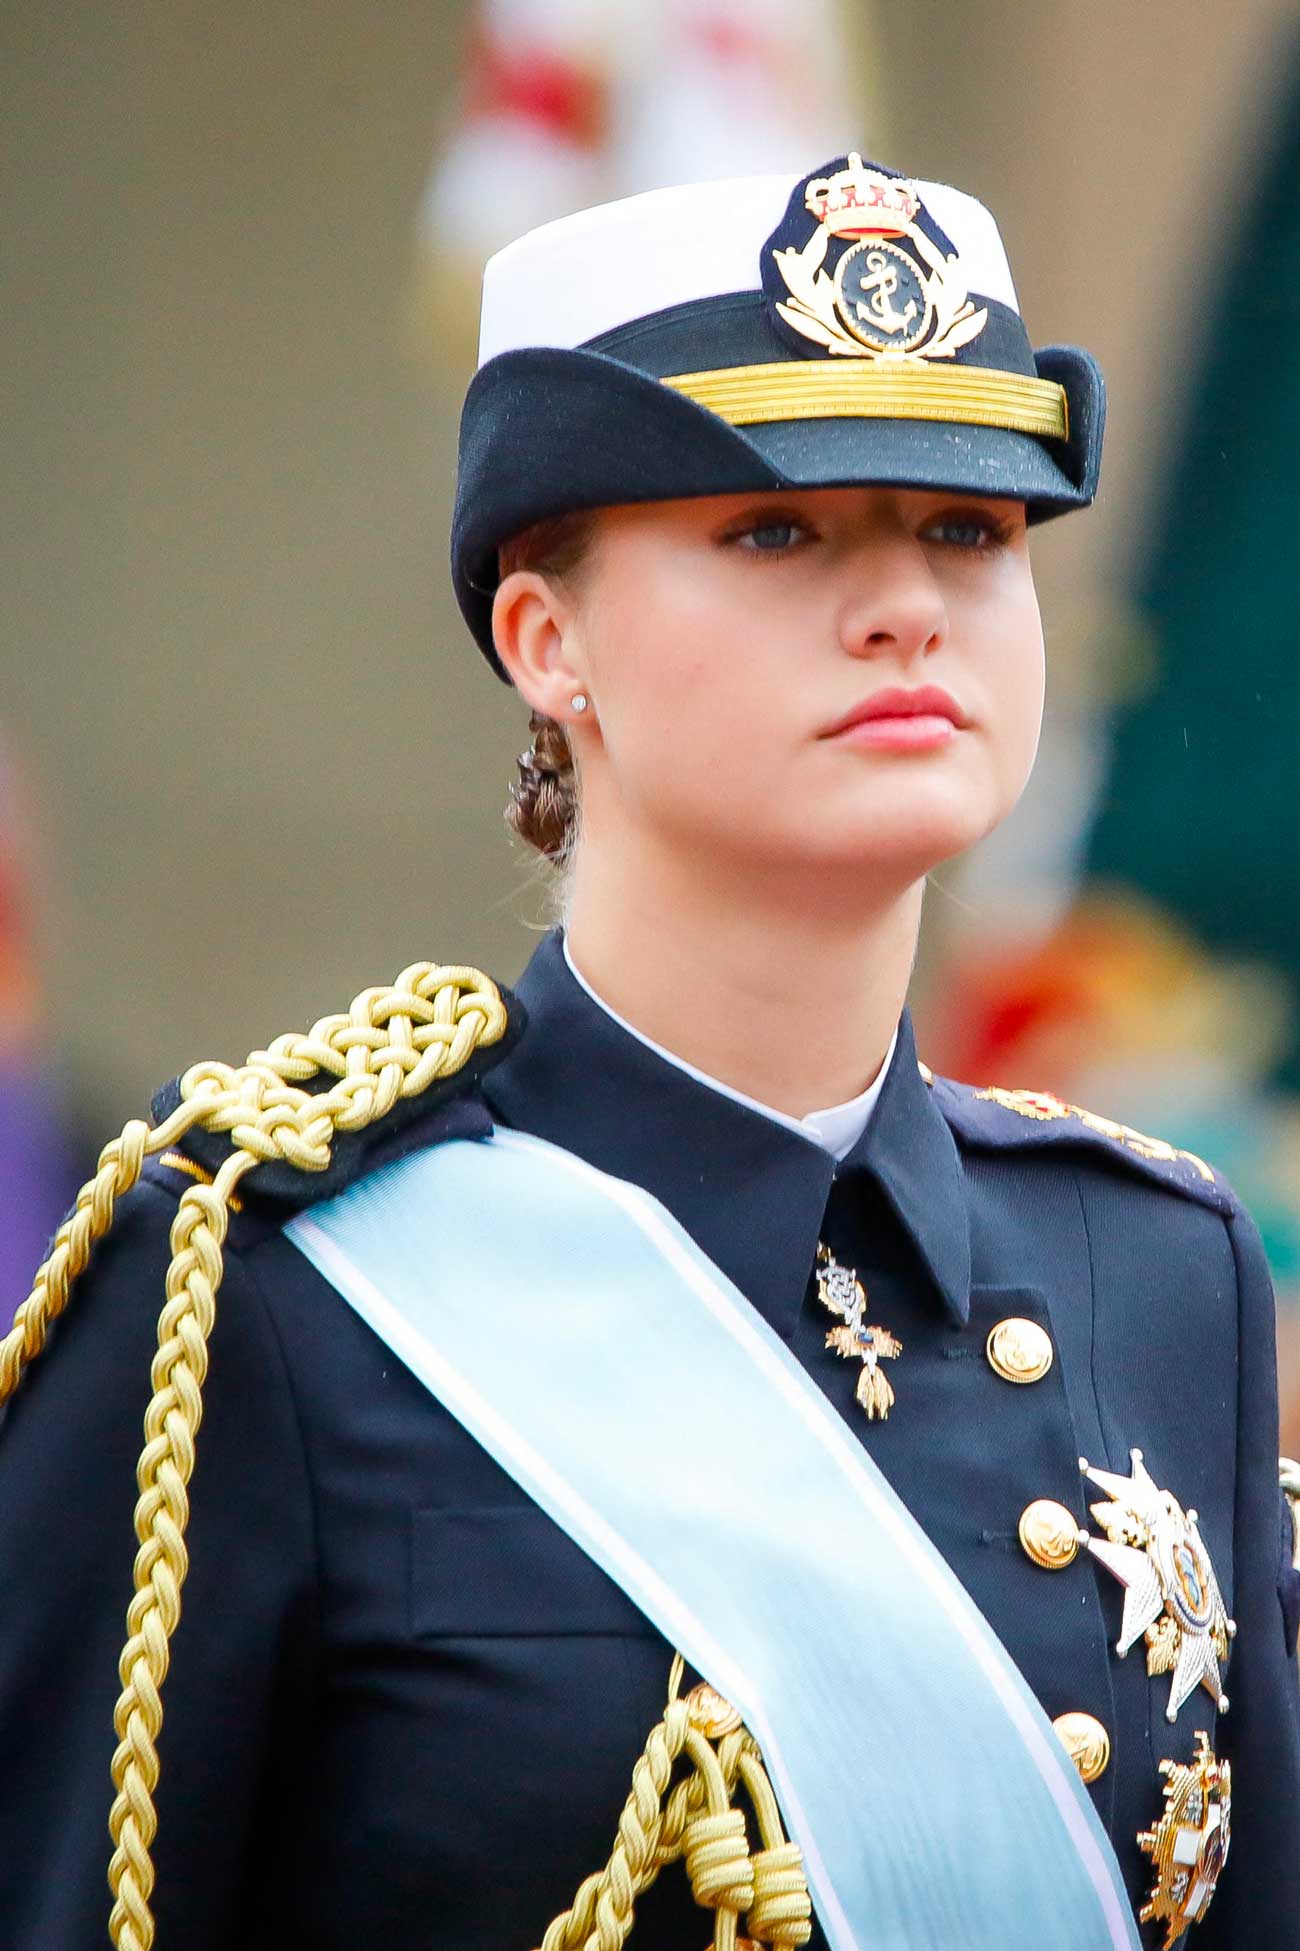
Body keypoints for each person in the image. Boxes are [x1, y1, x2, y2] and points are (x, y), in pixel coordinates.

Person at [1, 153, 1297, 1951]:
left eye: (970, 530)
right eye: (776, 532)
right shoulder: (262, 1292)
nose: (907, 605)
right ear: (549, 641)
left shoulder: (1159, 1268)